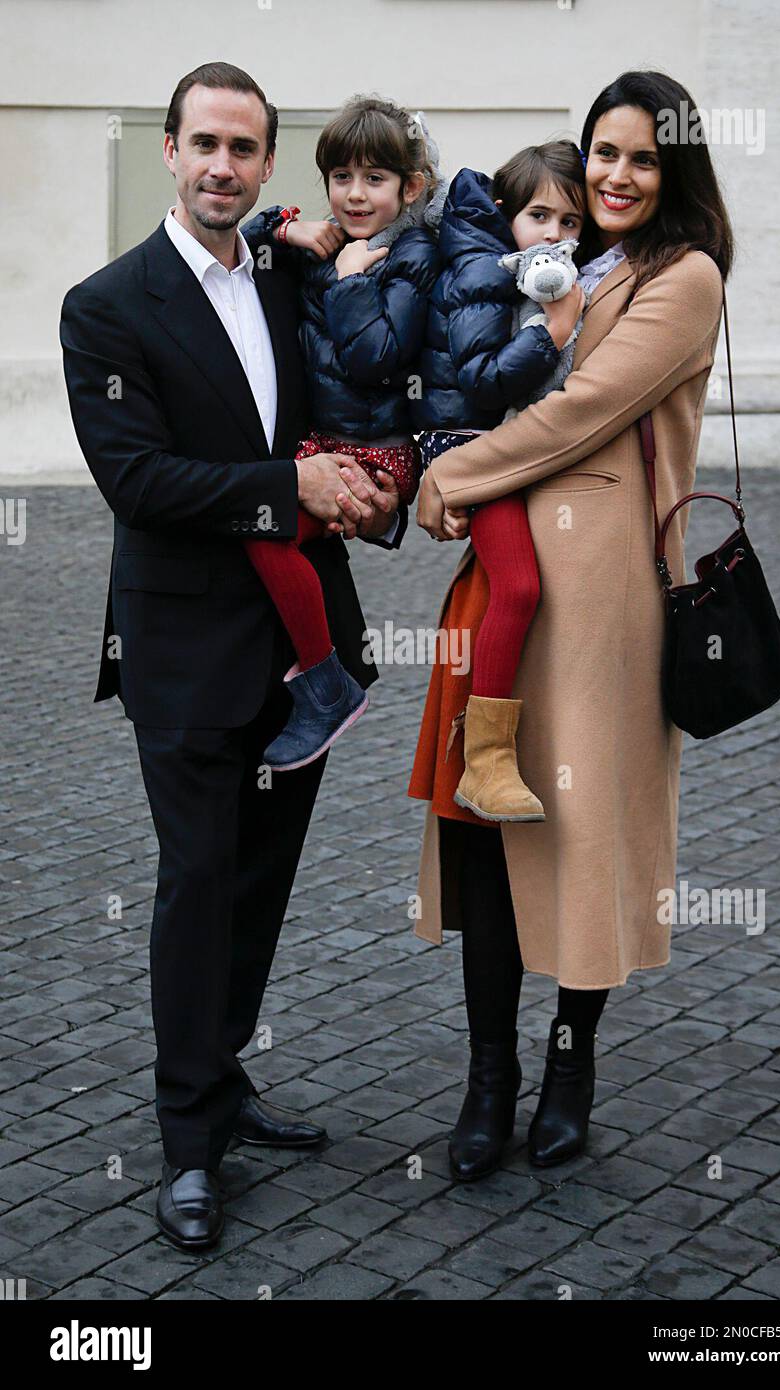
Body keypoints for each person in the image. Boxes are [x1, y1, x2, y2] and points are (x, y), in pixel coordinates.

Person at [60, 62, 406, 1251]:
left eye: (244, 147)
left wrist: (374, 485)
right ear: (168, 150)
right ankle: (186, 1142)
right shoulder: (106, 305)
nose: (222, 165)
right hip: (187, 646)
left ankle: (225, 1076)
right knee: (198, 882)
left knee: (259, 882)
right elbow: (138, 481)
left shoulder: (287, 272)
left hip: (298, 644)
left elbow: (350, 406)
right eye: (203, 142)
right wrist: (286, 488)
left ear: (266, 162)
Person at [409, 70, 734, 1182]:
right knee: (488, 834)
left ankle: (568, 1065)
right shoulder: (551, 251)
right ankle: (486, 1077)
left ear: (675, 168)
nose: (615, 175)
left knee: (583, 833)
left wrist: (451, 470)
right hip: (503, 589)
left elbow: (583, 408)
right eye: (603, 152)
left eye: (642, 157)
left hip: (602, 595)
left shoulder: (682, 277)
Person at [241, 96, 444, 771]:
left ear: (409, 187)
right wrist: (281, 226)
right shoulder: (328, 238)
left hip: (374, 449)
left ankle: (327, 685)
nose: (354, 195)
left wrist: (353, 283)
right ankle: (311, 676)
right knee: (260, 526)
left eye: (375, 179)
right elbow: (237, 242)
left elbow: (376, 358)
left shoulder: (410, 255)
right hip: (326, 443)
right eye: (341, 177)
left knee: (266, 531)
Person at [415, 142, 587, 821]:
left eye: (570, 222)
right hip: (475, 450)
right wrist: (556, 330)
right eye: (538, 215)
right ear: (505, 215)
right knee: (517, 585)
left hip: (504, 450)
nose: (553, 234)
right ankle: (484, 763)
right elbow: (485, 380)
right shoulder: (490, 272)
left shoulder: (538, 274)